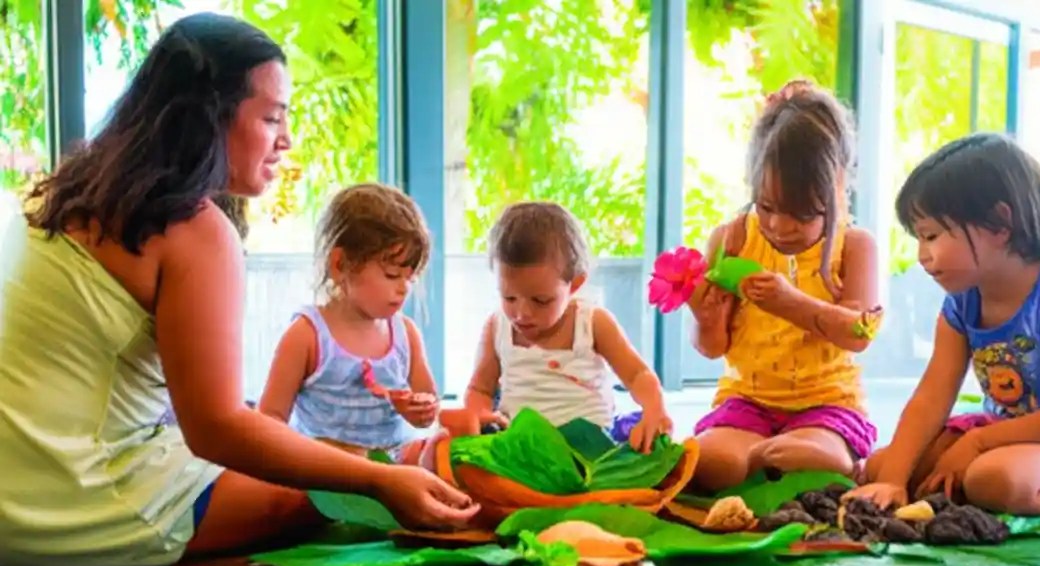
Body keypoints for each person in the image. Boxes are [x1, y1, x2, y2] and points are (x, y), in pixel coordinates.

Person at [0, 13, 475, 566]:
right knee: (330, 491)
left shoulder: (69, 193)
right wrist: (376, 478)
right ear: (209, 118)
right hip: (60, 497)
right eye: (272, 117)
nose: (286, 140)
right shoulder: (193, 229)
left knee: (332, 459)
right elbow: (217, 429)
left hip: (15, 479)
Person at [850, 132, 1040, 518]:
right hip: (1006, 432)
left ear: (1000, 224)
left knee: (994, 481)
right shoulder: (962, 304)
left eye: (931, 236)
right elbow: (931, 396)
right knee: (883, 465)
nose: (922, 256)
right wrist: (894, 481)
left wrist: (981, 442)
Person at [686, 79, 880, 491]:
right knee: (703, 460)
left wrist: (789, 302)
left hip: (827, 404)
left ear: (839, 187)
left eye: (802, 214)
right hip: (746, 401)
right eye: (767, 207)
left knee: (814, 455)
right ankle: (759, 457)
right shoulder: (733, 238)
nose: (779, 226)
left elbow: (858, 335)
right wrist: (706, 320)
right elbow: (712, 349)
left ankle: (797, 459)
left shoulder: (855, 246)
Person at [463, 201, 673, 452]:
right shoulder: (497, 326)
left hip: (589, 448)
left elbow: (637, 375)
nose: (521, 314)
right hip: (520, 447)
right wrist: (481, 415)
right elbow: (479, 388)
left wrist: (654, 408)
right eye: (509, 298)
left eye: (541, 301)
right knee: (444, 452)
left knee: (658, 454)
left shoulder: (592, 323)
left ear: (574, 285)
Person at [258, 183, 441, 466]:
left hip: (393, 470)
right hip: (326, 473)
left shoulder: (406, 335)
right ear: (340, 264)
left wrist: (420, 409)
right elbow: (269, 420)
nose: (404, 288)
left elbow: (428, 403)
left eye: (411, 277)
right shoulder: (308, 336)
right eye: (392, 275)